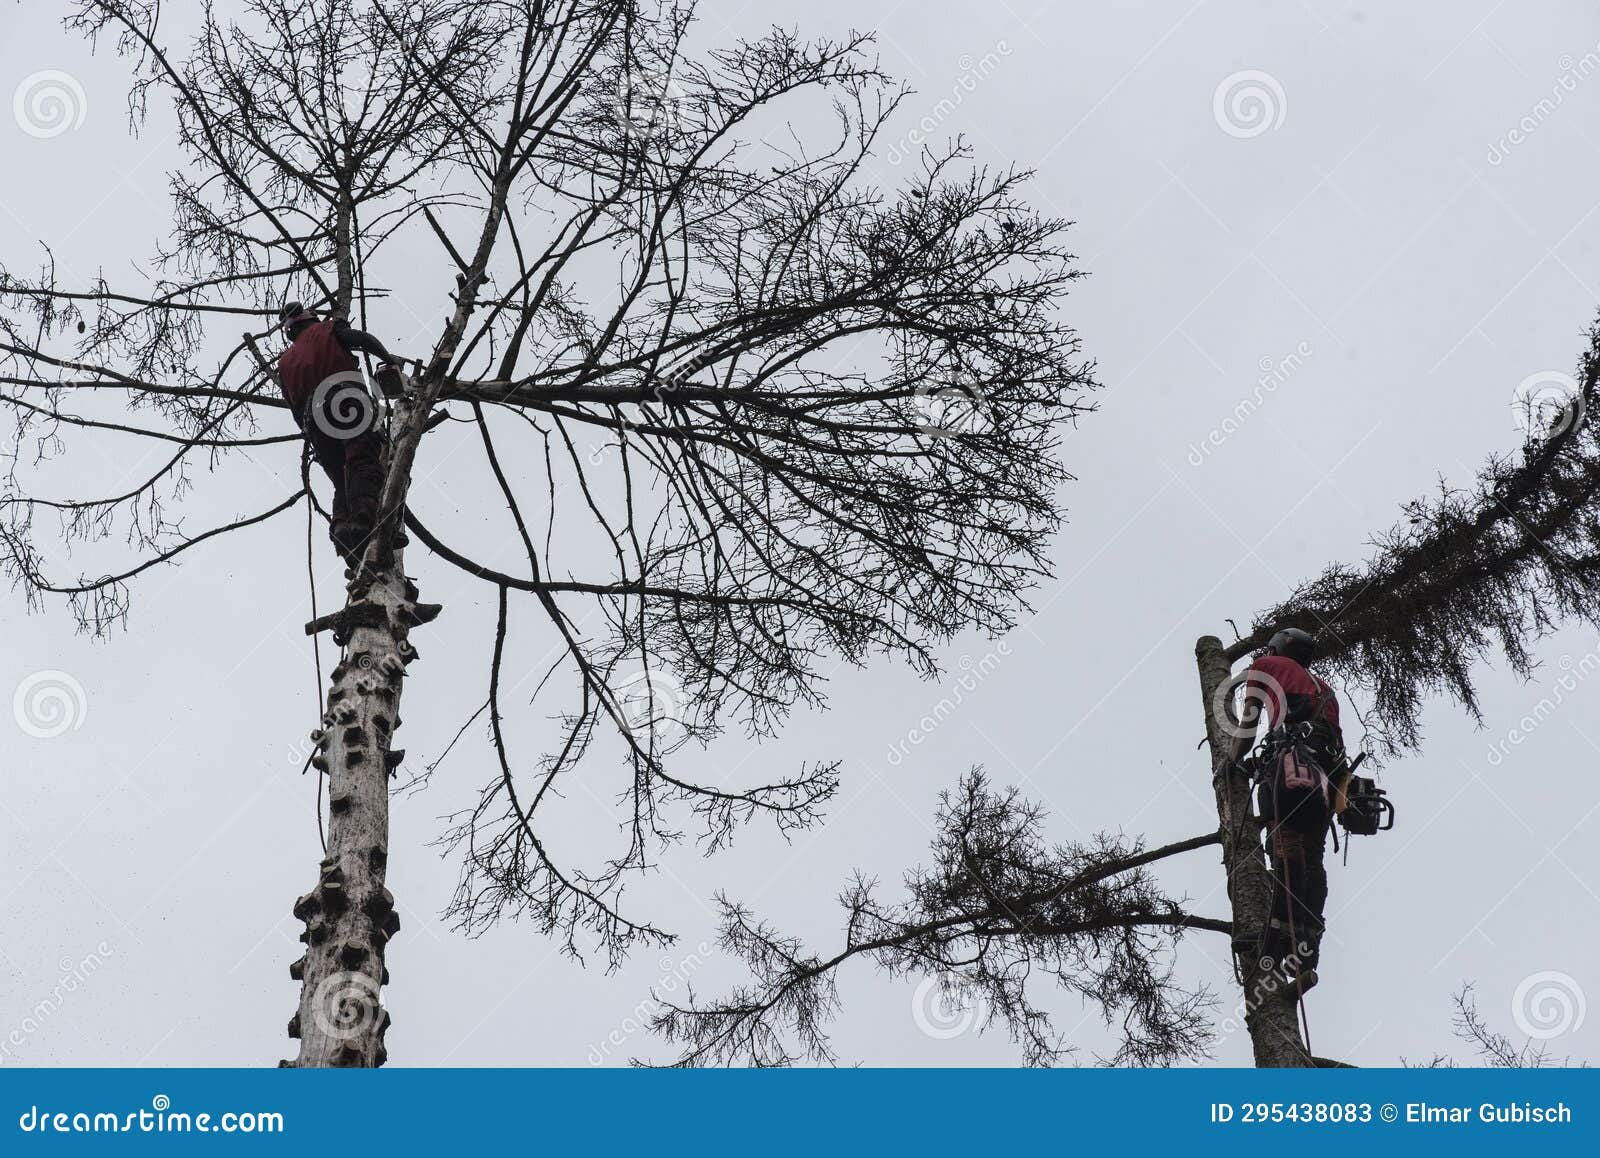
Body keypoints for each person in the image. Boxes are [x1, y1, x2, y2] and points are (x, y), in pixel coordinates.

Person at [1226, 626, 1345, 992]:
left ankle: (1279, 930)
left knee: (1286, 842)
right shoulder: (1325, 690)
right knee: (1313, 854)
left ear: (1279, 648)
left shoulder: (1267, 665)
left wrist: (1230, 762)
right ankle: (1307, 943)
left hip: (1291, 768)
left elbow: (1247, 725)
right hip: (1325, 778)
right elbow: (1330, 739)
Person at [275, 302, 405, 566]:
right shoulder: (329, 328)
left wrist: (313, 436)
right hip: (344, 397)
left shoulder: (285, 362)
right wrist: (389, 360)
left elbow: (293, 406)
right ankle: (363, 521)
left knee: (341, 477)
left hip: (313, 420)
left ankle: (344, 533)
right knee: (363, 461)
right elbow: (362, 339)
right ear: (310, 317)